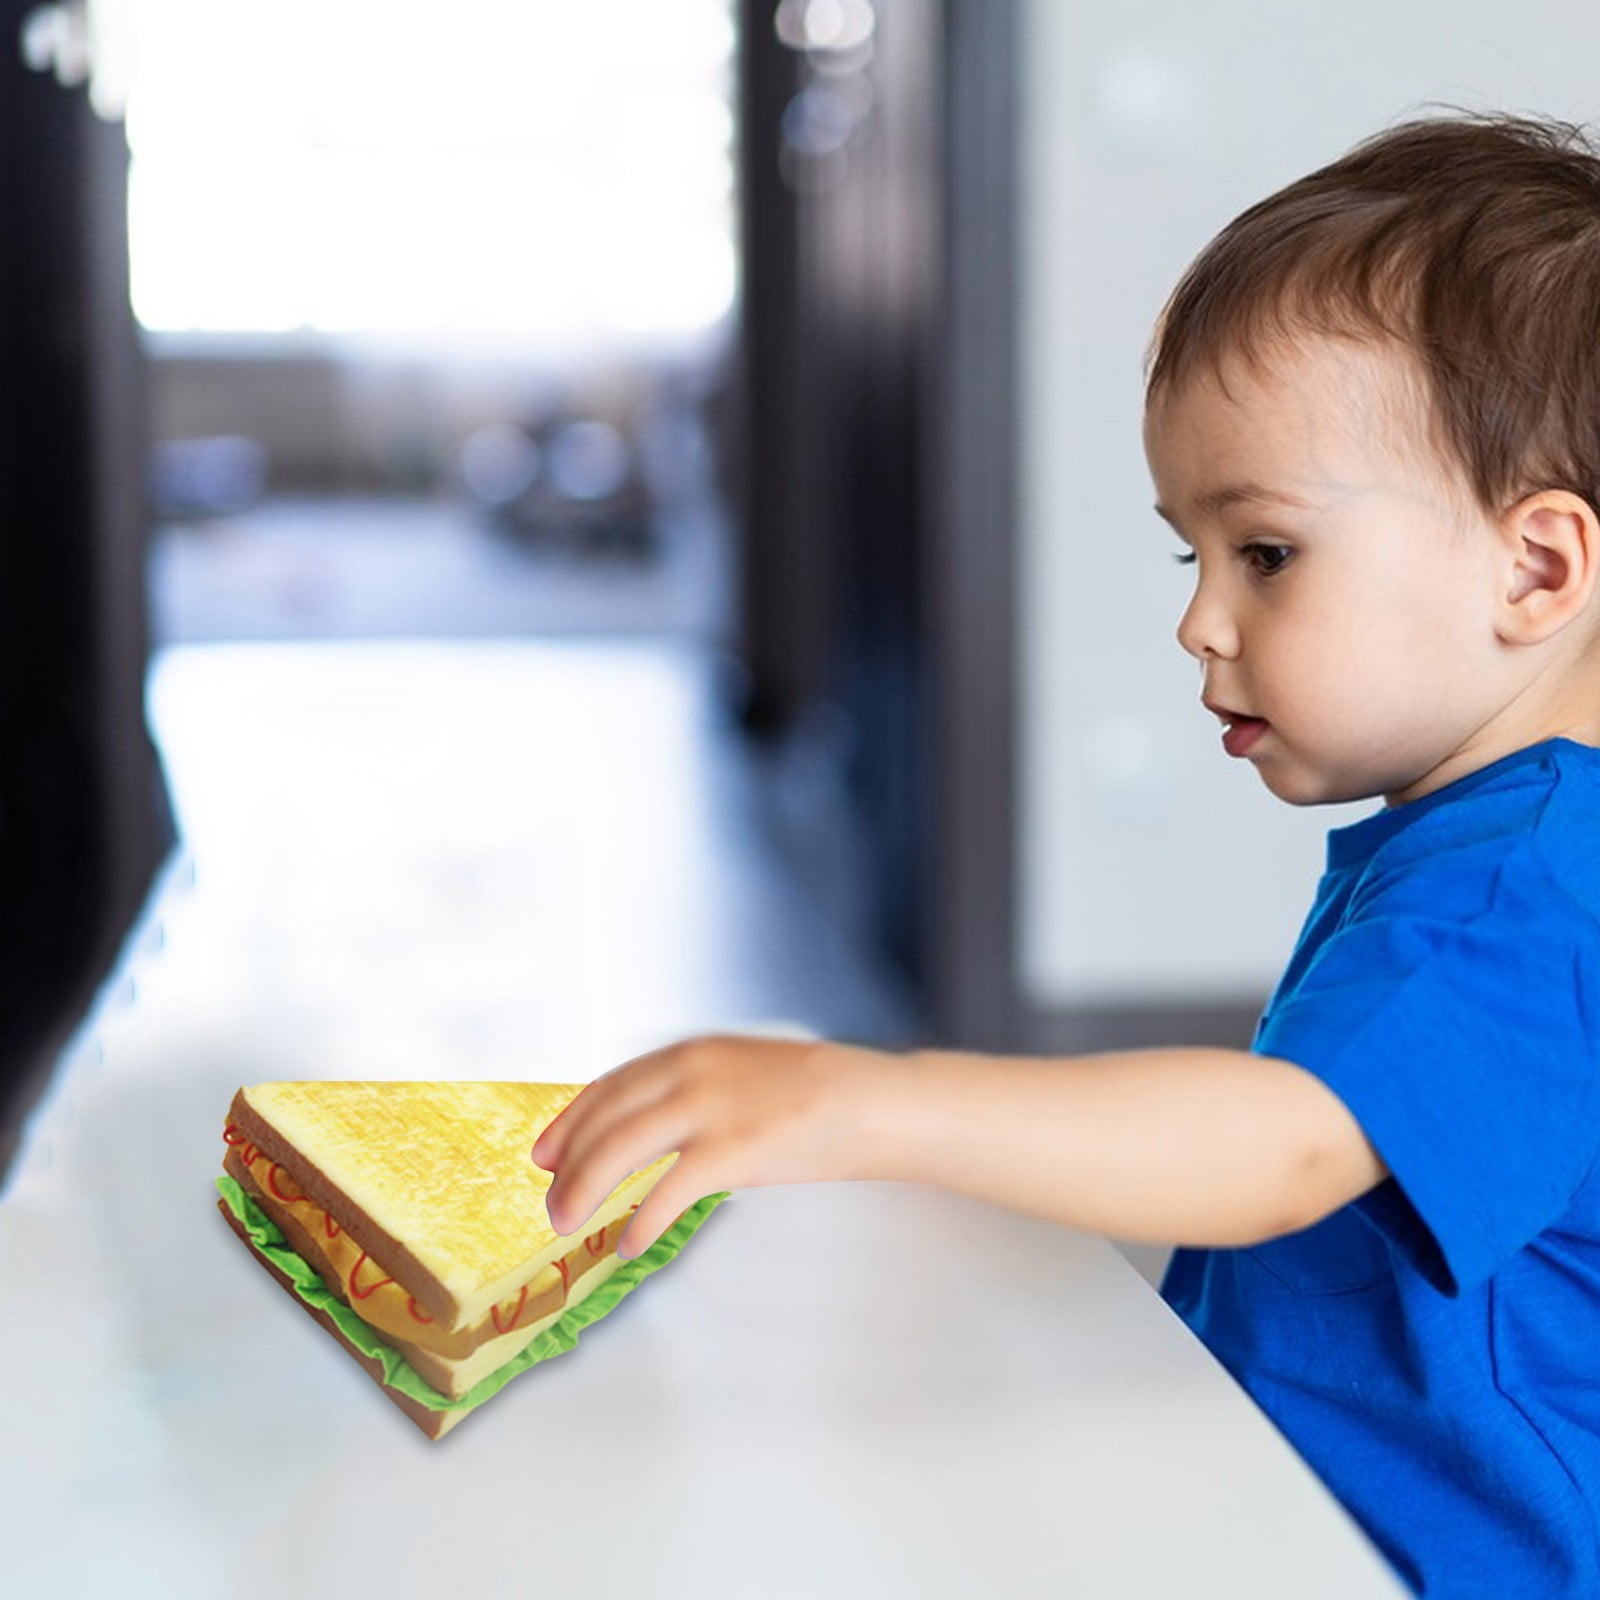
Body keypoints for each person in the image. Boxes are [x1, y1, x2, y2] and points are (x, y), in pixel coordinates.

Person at [531, 112, 1600, 1597]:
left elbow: (1287, 1143)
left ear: (1535, 567)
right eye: (1194, 556)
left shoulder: (1523, 887)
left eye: (1267, 553)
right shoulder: (1493, 839)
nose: (1200, 622)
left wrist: (872, 1100)